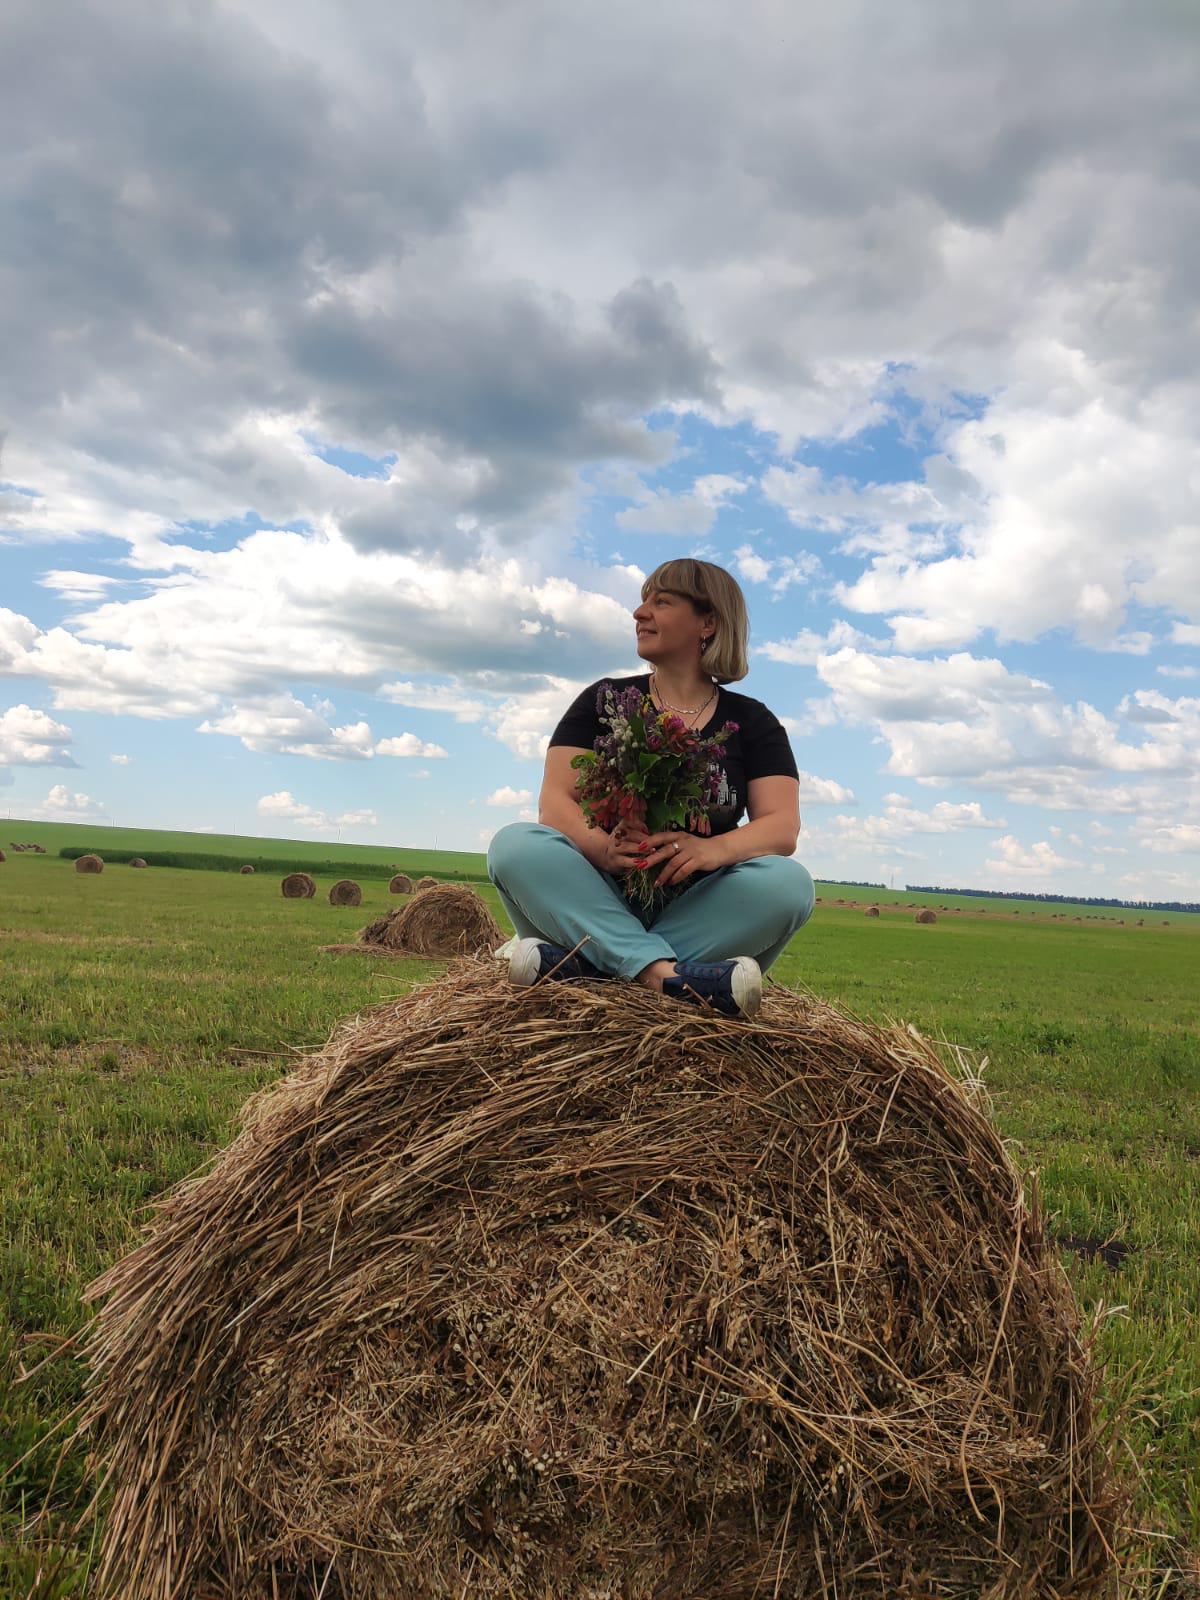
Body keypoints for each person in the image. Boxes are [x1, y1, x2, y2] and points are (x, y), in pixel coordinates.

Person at [487, 558, 816, 1018]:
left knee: (790, 885)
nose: (640, 613)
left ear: (708, 622)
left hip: (701, 909)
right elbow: (555, 803)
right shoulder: (602, 701)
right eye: (643, 602)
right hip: (595, 895)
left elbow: (782, 828)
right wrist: (603, 851)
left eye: (661, 602)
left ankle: (586, 970)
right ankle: (667, 979)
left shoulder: (753, 722)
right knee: (515, 846)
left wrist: (709, 851)